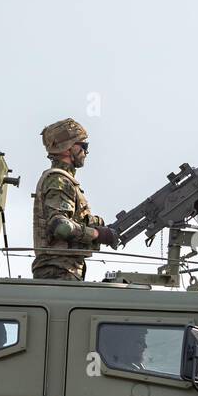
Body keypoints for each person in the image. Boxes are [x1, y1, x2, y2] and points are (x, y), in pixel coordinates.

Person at [31, 118, 120, 280]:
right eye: (83, 146)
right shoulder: (59, 180)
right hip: (59, 271)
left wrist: (98, 227)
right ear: (67, 149)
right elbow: (61, 226)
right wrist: (97, 234)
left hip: (63, 269)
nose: (86, 152)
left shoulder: (64, 180)